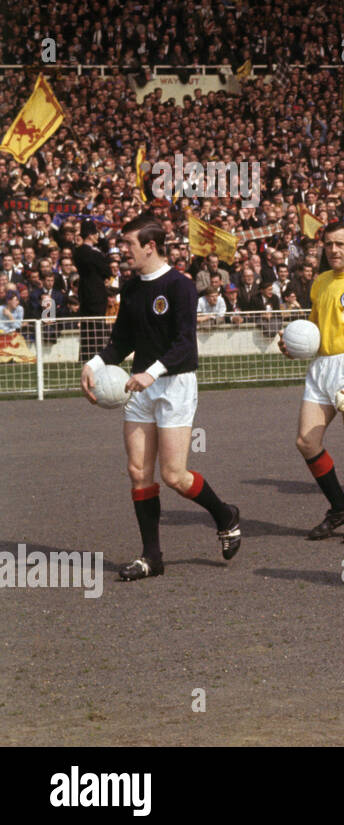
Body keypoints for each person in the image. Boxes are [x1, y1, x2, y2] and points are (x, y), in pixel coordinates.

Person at [79, 213, 241, 580]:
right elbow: (122, 339)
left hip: (173, 385)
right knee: (138, 471)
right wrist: (93, 363)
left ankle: (224, 514)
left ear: (150, 246)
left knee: (173, 475)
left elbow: (185, 344)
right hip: (140, 386)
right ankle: (151, 557)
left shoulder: (181, 286)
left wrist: (150, 373)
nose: (122, 252)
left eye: (128, 245)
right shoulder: (131, 286)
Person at [281, 221, 344, 543]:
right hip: (321, 368)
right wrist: (295, 346)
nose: (334, 250)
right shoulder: (321, 282)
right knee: (306, 442)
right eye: (329, 244)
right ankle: (340, 507)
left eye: (340, 244)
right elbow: (313, 329)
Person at [72, 220, 111, 363]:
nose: (97, 237)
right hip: (96, 291)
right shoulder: (94, 254)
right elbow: (107, 270)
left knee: (87, 325)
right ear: (90, 235)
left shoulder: (78, 252)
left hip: (84, 291)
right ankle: (98, 355)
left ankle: (86, 355)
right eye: (95, 234)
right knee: (98, 324)